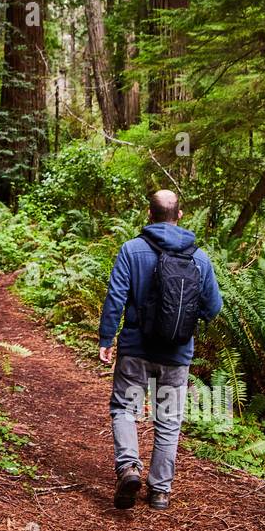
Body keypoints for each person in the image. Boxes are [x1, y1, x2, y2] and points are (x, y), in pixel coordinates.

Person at [98, 190, 222, 510]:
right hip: (176, 353)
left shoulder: (131, 250)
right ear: (180, 216)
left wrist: (106, 339)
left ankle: (128, 468)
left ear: (149, 215)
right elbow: (214, 307)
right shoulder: (199, 257)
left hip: (135, 350)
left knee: (125, 409)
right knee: (169, 419)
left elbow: (115, 298)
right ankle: (159, 492)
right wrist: (187, 320)